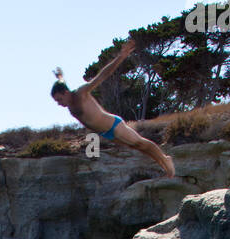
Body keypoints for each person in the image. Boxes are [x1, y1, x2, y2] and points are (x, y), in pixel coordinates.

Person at [51, 39, 175, 176]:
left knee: (139, 142)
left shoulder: (81, 93)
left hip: (113, 125)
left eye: (59, 99)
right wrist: (60, 77)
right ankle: (161, 162)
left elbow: (102, 76)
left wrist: (121, 57)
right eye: (56, 101)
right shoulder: (69, 101)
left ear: (66, 93)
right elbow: (62, 84)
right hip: (106, 133)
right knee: (137, 146)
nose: (59, 103)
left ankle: (165, 159)